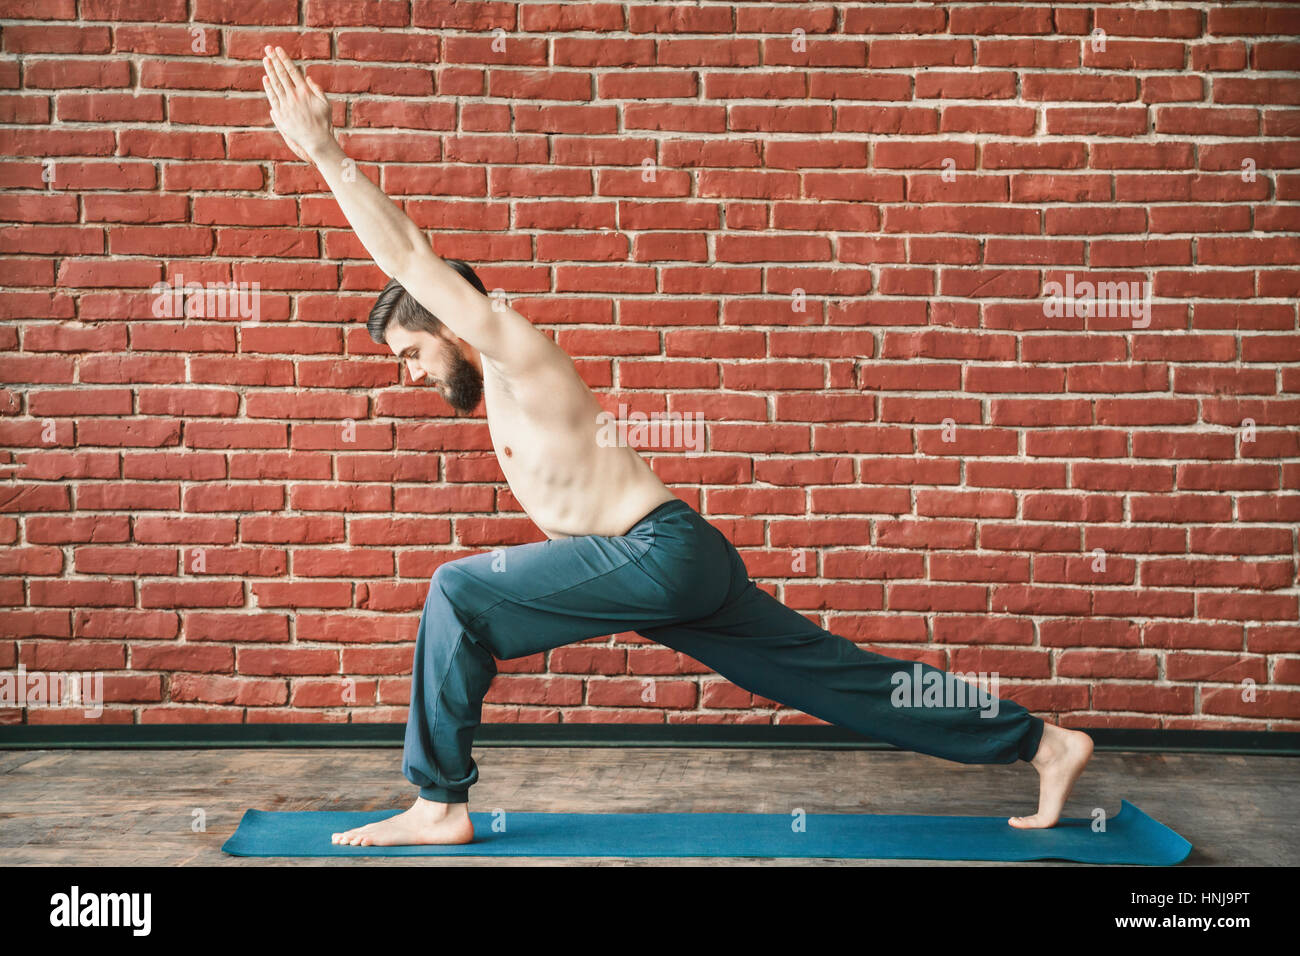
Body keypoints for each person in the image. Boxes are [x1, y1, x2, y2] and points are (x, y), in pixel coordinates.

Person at [258, 47, 1094, 848]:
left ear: (450, 320)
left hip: (659, 553)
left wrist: (325, 151)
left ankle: (439, 803)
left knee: (457, 594)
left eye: (410, 353)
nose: (408, 375)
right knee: (834, 679)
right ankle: (1042, 744)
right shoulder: (500, 398)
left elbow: (410, 253)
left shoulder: (516, 353)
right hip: (679, 564)